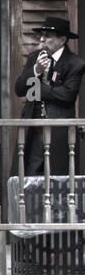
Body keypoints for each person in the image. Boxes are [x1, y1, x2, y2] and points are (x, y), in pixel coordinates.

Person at [13, 16, 85, 176]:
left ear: (62, 39)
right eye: (42, 35)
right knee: (30, 178)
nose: (42, 39)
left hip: (58, 131)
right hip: (34, 128)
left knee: (58, 179)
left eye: (48, 35)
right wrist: (36, 70)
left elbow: (67, 95)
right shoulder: (35, 58)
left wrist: (37, 88)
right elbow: (19, 89)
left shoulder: (75, 63)